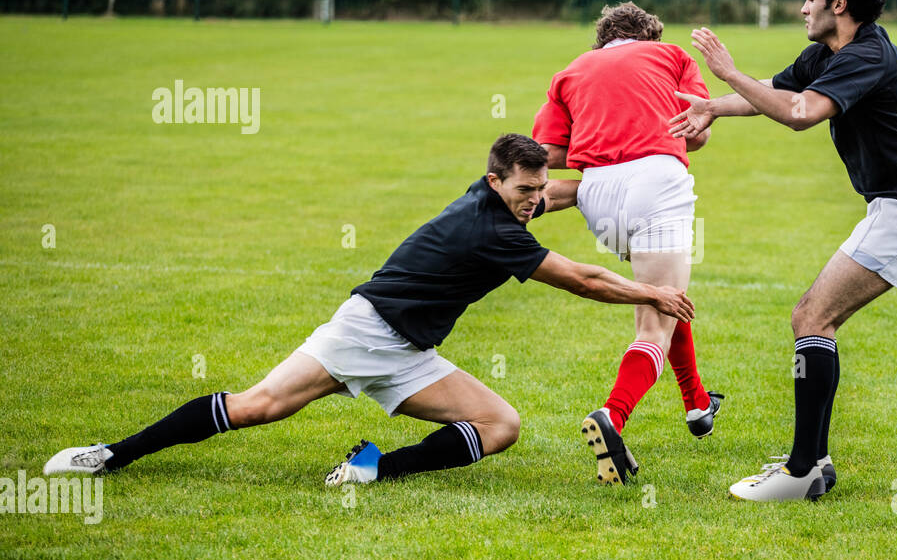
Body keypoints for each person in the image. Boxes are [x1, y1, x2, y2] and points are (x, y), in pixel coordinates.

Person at [43, 134, 694, 488]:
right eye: (523, 191)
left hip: (411, 353)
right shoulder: (494, 230)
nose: (532, 200)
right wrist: (651, 292)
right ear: (494, 182)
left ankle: (369, 470)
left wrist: (610, 184)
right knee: (256, 407)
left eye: (537, 189)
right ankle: (108, 455)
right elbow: (579, 278)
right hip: (365, 331)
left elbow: (559, 198)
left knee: (501, 425)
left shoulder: (492, 198)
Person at [669, 0, 897, 502]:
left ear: (840, 4)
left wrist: (725, 72)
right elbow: (772, 94)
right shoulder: (826, 52)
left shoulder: (867, 53)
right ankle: (814, 463)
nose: (803, 8)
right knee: (815, 318)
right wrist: (712, 106)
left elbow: (800, 114)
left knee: (812, 314)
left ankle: (803, 471)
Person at [533, 2, 723, 485]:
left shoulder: (571, 70)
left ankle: (697, 403)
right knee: (653, 327)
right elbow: (696, 132)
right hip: (658, 181)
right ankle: (612, 416)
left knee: (665, 297)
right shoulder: (673, 56)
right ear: (650, 36)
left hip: (597, 192)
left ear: (603, 40)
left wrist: (601, 131)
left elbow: (548, 153)